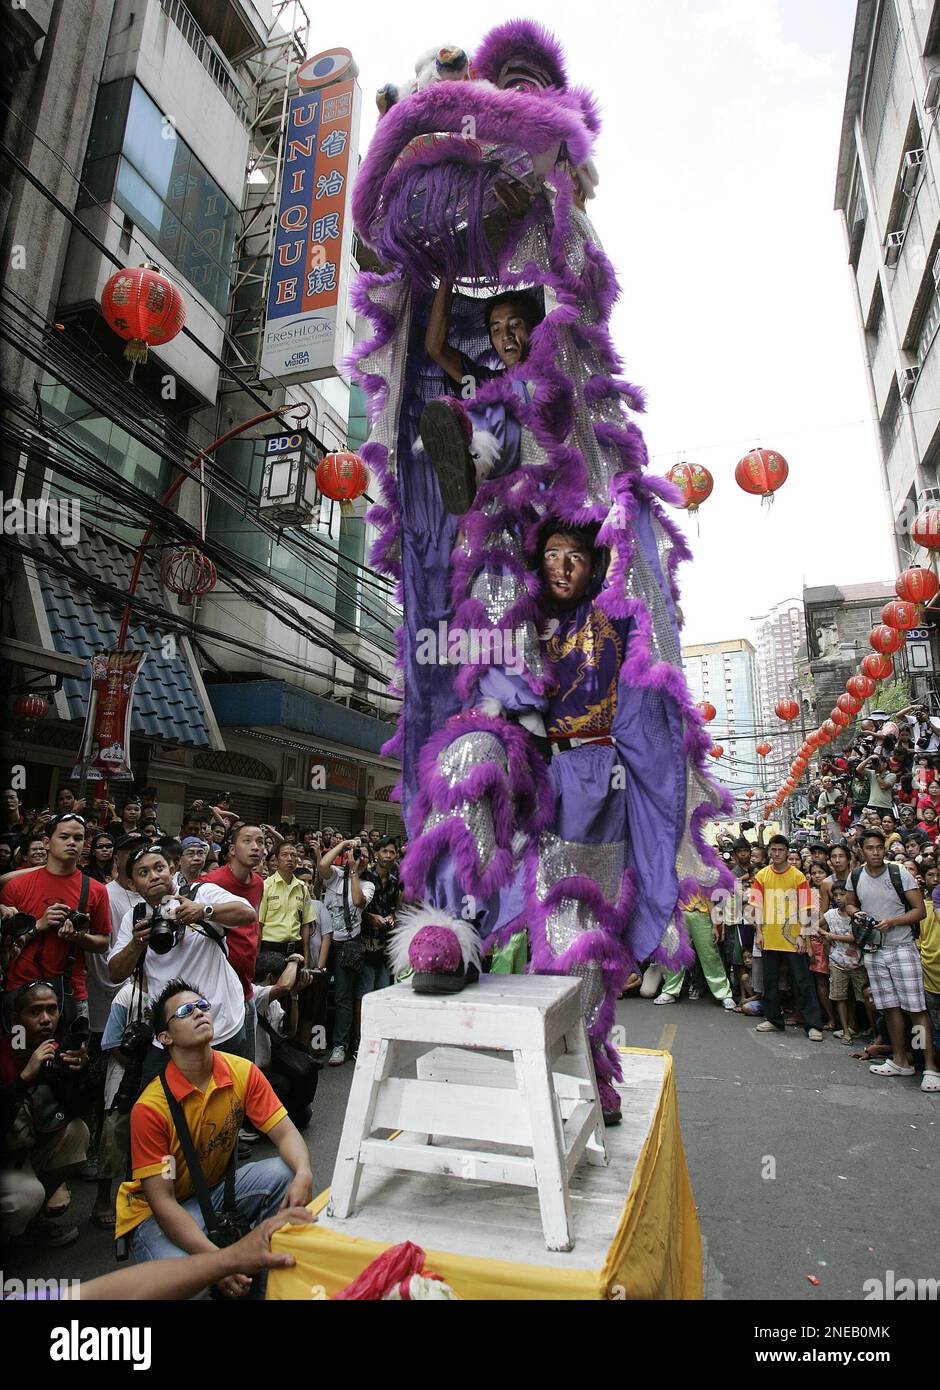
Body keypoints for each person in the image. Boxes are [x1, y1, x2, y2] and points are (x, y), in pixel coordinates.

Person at [115, 980, 313, 1296]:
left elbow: (286, 1132)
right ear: (164, 1037)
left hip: (214, 1192)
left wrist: (304, 1172)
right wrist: (218, 1262)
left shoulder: (242, 1072)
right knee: (189, 1284)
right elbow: (162, 1203)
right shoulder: (151, 1109)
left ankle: (267, 1280)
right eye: (184, 1010)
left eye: (203, 1006)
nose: (198, 1013)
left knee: (287, 1173)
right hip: (156, 1214)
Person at [107, 845, 255, 1084]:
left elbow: (247, 913)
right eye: (143, 873)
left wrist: (203, 911)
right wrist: (136, 943)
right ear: (132, 884)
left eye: (159, 868)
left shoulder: (200, 893)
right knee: (164, 1104)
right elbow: (115, 973)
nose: (154, 876)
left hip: (220, 1024)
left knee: (227, 1100)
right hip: (170, 1035)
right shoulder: (134, 918)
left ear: (172, 869)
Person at [420, 279, 543, 514]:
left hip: (550, 496)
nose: (505, 335)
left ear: (535, 330)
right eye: (496, 329)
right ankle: (465, 464)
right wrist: (447, 275)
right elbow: (435, 348)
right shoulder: (487, 382)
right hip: (503, 503)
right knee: (451, 408)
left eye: (514, 324)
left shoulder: (557, 373)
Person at [844, 829, 938, 1092]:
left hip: (902, 948)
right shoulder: (856, 876)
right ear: (861, 850)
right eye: (870, 848)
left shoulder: (899, 872)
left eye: (879, 848)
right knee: (890, 1008)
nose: (875, 852)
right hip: (874, 951)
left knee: (916, 1009)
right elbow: (850, 904)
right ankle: (900, 1060)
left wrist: (893, 922)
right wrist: (858, 913)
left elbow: (919, 911)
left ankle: (928, 1066)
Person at [0, 981, 91, 1248]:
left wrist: (80, 1074)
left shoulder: (56, 1048)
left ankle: (33, 1224)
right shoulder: (5, 1052)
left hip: (23, 1151)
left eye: (52, 1010)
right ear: (15, 1019)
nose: (45, 1020)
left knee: (77, 1132)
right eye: (35, 1012)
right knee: (27, 1196)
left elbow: (76, 1109)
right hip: (5, 1156)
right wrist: (25, 1077)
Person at [0, 814, 111, 1022]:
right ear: (46, 842)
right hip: (20, 988)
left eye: (78, 838)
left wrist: (79, 937)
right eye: (64, 836)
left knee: (72, 1054)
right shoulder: (17, 886)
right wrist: (39, 925)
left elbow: (103, 943)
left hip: (69, 990)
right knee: (16, 1051)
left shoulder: (96, 890)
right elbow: (6, 948)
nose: (71, 842)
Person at [199, 825, 266, 1061]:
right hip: (217, 993)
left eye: (260, 842)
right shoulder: (210, 883)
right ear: (232, 849)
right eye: (247, 841)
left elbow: (251, 927)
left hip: (246, 988)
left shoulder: (258, 883)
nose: (256, 847)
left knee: (246, 1068)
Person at [750, 835, 824, 1040]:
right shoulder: (762, 876)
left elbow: (806, 907)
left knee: (803, 982)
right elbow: (756, 906)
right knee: (770, 982)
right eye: (773, 850)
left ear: (787, 851)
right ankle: (773, 1019)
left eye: (780, 850)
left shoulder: (798, 876)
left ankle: (813, 1025)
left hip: (794, 938)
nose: (776, 854)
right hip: (769, 937)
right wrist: (758, 933)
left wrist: (802, 935)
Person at [318, 836, 375, 1066]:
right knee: (318, 994)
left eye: (364, 857)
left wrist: (353, 871)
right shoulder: (333, 875)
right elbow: (322, 866)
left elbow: (358, 901)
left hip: (348, 944)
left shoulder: (367, 884)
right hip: (324, 941)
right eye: (356, 854)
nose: (359, 859)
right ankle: (316, 1043)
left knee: (343, 996)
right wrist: (343, 845)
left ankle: (339, 1045)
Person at [252, 952, 319, 1128]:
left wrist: (295, 996)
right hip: (252, 1073)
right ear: (270, 977)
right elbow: (283, 986)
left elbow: (290, 1033)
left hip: (271, 1067)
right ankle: (249, 1124)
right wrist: (294, 961)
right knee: (282, 1085)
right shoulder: (253, 995)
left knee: (303, 1115)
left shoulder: (273, 1004)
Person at [653, 891, 736, 1010]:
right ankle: (669, 991)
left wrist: (714, 925)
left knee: (710, 955)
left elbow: (709, 899)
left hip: (701, 914)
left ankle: (724, 993)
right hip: (679, 914)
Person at [819, 880, 874, 1045]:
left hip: (858, 963)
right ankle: (845, 1031)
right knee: (839, 997)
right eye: (835, 895)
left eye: (842, 894)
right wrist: (823, 932)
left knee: (866, 999)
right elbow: (814, 925)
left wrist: (831, 937)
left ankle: (875, 1033)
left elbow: (855, 938)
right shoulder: (830, 915)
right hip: (837, 962)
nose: (838, 898)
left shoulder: (857, 915)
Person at [258, 841, 315, 959]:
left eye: (294, 855)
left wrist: (306, 959)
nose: (290, 859)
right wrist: (256, 957)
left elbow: (305, 925)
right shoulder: (266, 886)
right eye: (284, 855)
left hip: (295, 949)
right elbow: (259, 925)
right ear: (276, 860)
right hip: (270, 948)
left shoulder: (303, 888)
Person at [360, 837, 402, 994]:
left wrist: (392, 917)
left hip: (385, 945)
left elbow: (395, 909)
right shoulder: (365, 876)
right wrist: (370, 917)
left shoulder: (394, 882)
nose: (389, 855)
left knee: (382, 991)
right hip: (365, 942)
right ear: (376, 854)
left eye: (392, 852)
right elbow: (355, 907)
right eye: (385, 851)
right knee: (364, 992)